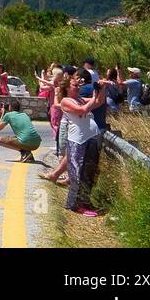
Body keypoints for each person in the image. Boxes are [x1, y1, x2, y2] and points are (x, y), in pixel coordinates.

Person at [59, 70, 104, 216]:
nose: (77, 87)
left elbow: (98, 102)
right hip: (77, 141)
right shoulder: (66, 101)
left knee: (89, 172)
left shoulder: (78, 98)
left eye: (78, 85)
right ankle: (75, 204)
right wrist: (94, 96)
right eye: (74, 85)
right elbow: (82, 110)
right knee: (77, 173)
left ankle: (85, 201)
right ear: (66, 87)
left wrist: (101, 89)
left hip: (89, 138)